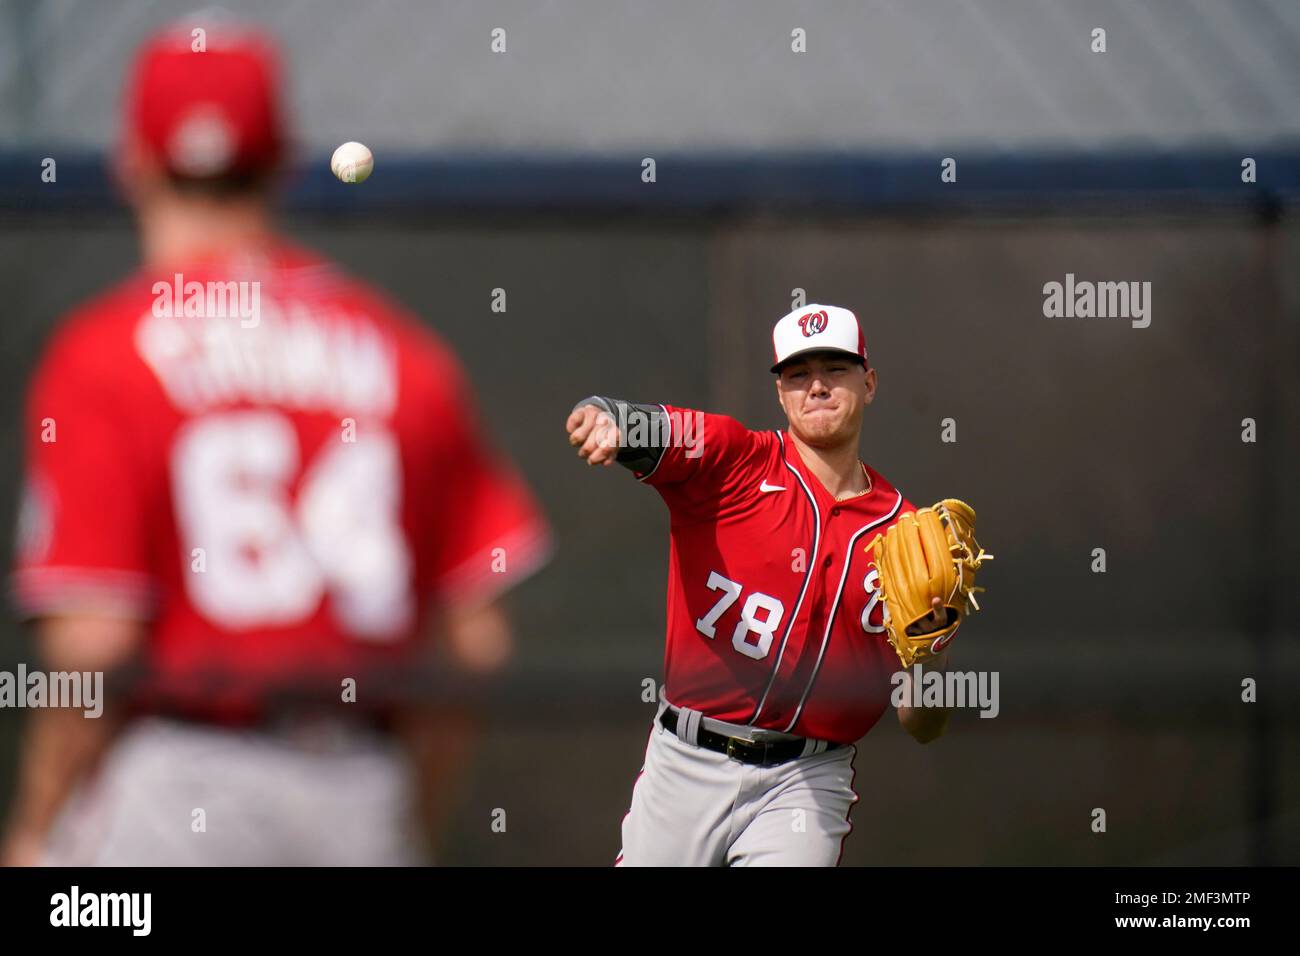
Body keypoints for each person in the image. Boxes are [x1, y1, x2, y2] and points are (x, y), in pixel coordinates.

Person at [1, 20, 550, 866]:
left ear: (133, 162)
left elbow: (92, 640)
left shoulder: (105, 354)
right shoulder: (403, 355)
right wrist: (407, 822)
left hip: (177, 780)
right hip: (353, 784)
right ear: (284, 162)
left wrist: (35, 827)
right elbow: (477, 643)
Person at [565, 304, 958, 866]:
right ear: (780, 393)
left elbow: (922, 724)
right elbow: (646, 424)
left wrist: (928, 657)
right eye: (798, 374)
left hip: (806, 779)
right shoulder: (731, 461)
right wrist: (606, 418)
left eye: (836, 369)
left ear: (868, 383)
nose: (817, 386)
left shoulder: (908, 538)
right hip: (686, 762)